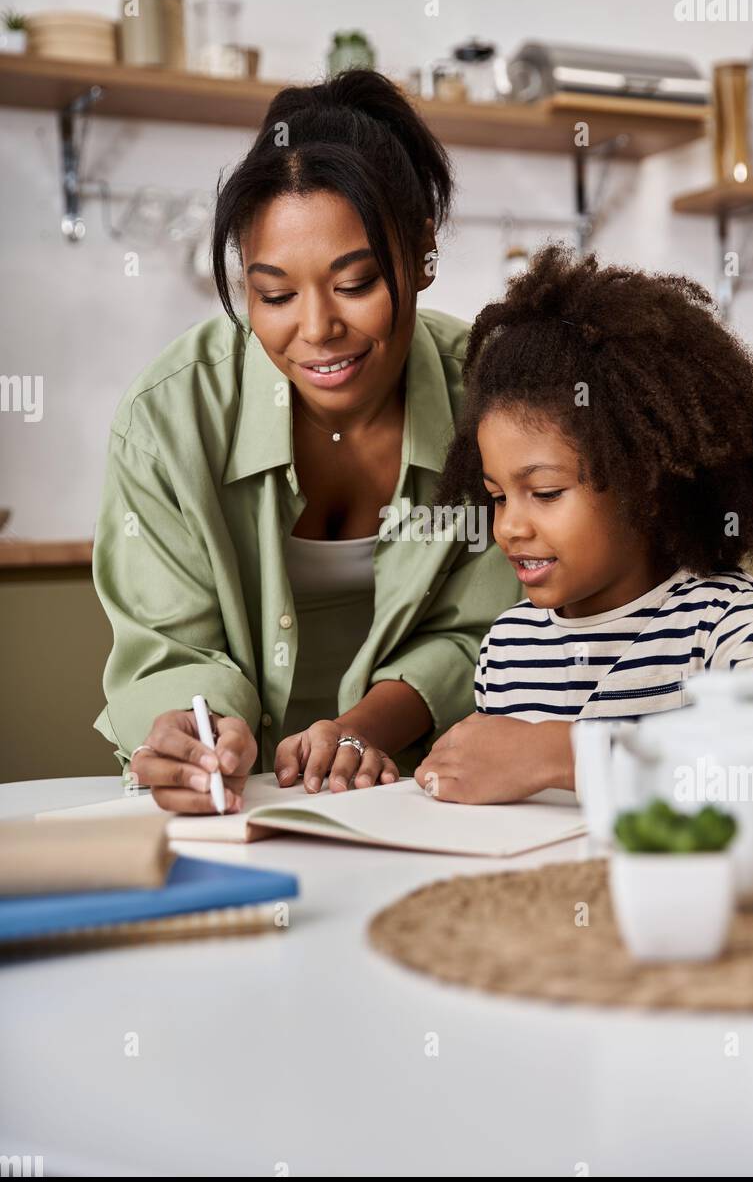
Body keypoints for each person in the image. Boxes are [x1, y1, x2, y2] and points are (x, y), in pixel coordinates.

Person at [92, 70, 517, 813]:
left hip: (427, 792)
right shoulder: (169, 419)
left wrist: (359, 730)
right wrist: (200, 736)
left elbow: (487, 632)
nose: (316, 329)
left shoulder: (489, 398)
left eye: (354, 284)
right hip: (231, 805)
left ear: (421, 254)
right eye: (276, 295)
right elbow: (167, 650)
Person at [415, 245, 753, 804]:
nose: (508, 527)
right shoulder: (509, 648)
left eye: (546, 493)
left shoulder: (725, 624)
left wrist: (560, 754)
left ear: (643, 484)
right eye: (498, 497)